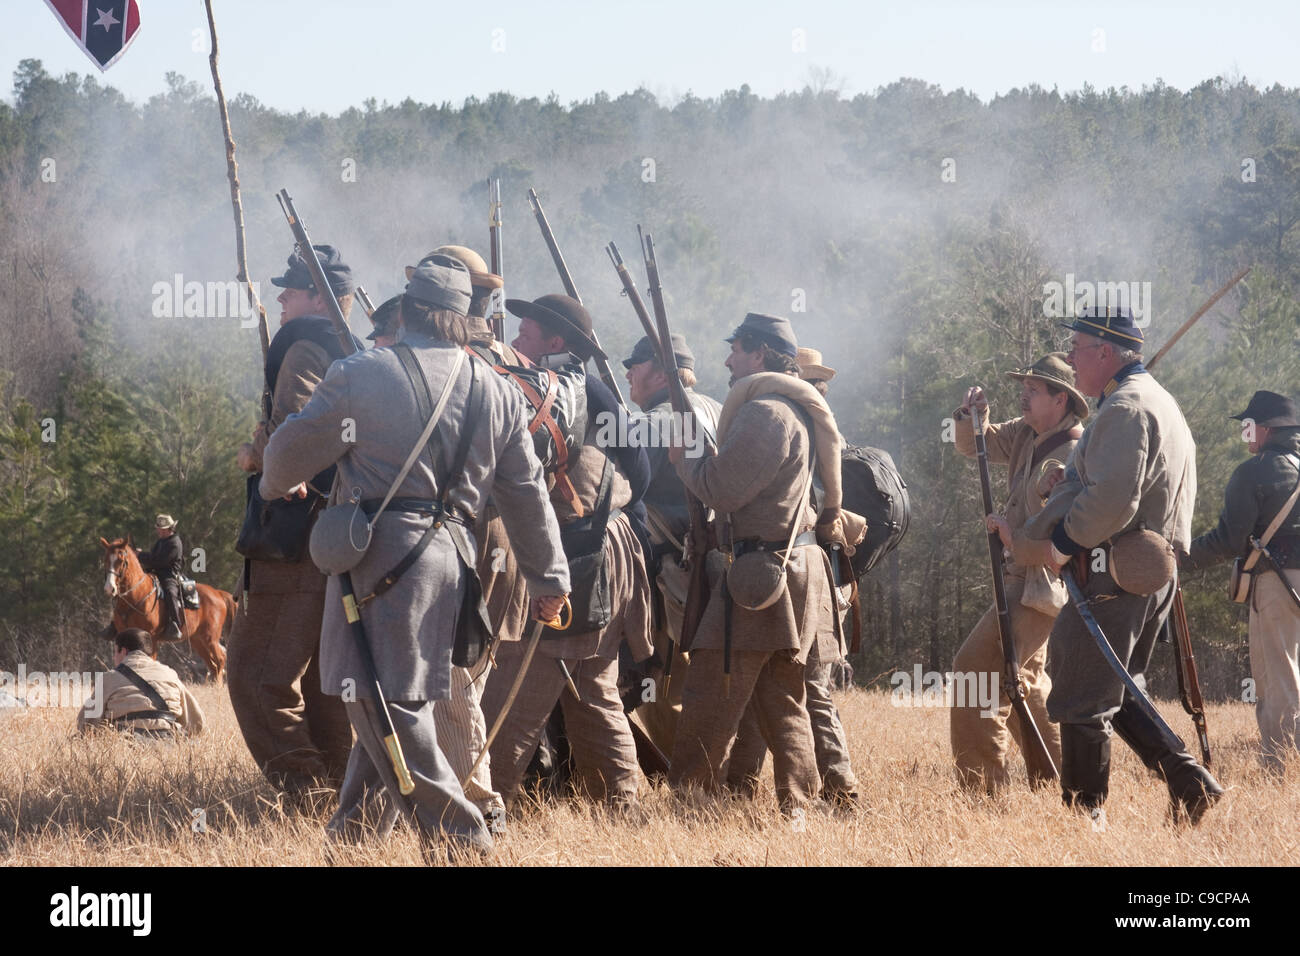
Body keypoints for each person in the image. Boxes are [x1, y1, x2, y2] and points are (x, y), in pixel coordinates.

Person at [260, 255, 569, 855]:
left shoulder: (362, 374)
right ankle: (350, 845)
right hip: (455, 561)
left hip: (377, 561)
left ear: (408, 310)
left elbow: (281, 461)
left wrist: (275, 482)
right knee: (388, 703)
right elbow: (528, 499)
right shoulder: (500, 393)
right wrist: (550, 579)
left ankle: (465, 841)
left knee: (391, 708)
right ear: (462, 319)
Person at [1017, 307, 1222, 824]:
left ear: (1105, 352)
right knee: (1113, 684)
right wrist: (1073, 478)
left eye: (1079, 347)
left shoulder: (1126, 407)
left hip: (1113, 566)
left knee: (1083, 694)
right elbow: (1126, 482)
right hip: (1143, 569)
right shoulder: (1152, 402)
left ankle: (1085, 820)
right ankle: (1186, 778)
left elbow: (1113, 500)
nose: (1070, 357)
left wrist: (1061, 543)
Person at [479, 293, 653, 808]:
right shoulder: (577, 390)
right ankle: (624, 806)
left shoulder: (582, 392)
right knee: (595, 690)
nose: (515, 341)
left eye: (527, 333)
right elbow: (636, 477)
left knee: (519, 687)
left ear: (555, 344)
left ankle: (488, 811)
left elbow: (639, 471)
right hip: (602, 550)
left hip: (576, 553)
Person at [667, 312, 844, 814]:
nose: (727, 359)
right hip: (782, 569)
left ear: (760, 354)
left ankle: (688, 802)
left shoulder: (766, 413)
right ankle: (801, 807)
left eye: (737, 348)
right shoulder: (792, 410)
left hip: (761, 573)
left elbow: (723, 487)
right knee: (781, 695)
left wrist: (685, 462)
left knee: (711, 685)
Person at [228, 243, 358, 801]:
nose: (280, 297)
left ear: (319, 298)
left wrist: (256, 450)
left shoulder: (305, 349)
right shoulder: (352, 353)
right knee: (324, 684)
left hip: (294, 539)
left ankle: (304, 792)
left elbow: (291, 443)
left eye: (293, 289)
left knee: (256, 675)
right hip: (336, 538)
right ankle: (339, 791)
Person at [724, 344, 861, 805]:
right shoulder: (820, 429)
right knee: (778, 685)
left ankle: (839, 787)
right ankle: (740, 783)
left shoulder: (800, 428)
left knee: (808, 688)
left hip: (799, 572)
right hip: (811, 574)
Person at [948, 353, 1086, 792]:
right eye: (1023, 388)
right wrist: (976, 415)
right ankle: (1060, 782)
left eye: (1034, 390)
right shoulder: (1028, 432)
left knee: (975, 670)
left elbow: (1059, 523)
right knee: (1021, 682)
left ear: (1060, 399)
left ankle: (983, 791)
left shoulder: (1072, 455)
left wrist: (1017, 529)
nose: (1023, 395)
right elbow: (975, 444)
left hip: (1042, 585)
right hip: (1017, 580)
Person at [1180, 390, 1300, 772]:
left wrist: (1180, 557)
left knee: (1277, 677)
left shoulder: (1253, 471)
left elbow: (1229, 540)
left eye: (1248, 426)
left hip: (1279, 583)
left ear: (1265, 430)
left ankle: (1281, 767)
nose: (1245, 433)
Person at [622, 332, 722, 757]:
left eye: (637, 365)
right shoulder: (717, 408)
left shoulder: (657, 420)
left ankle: (693, 777)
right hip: (710, 568)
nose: (628, 372)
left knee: (658, 686)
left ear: (662, 374)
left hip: (673, 577)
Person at [78, 628, 205, 738]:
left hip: (125, 743)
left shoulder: (108, 678)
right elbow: (197, 722)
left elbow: (86, 724)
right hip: (169, 741)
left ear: (123, 651)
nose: (113, 658)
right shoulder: (170, 674)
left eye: (115, 652)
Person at [135, 514, 184, 641]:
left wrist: (140, 555)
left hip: (168, 575)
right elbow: (153, 557)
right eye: (158, 528)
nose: (158, 531)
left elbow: (161, 561)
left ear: (169, 529)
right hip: (155, 573)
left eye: (161, 529)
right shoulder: (161, 541)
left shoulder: (175, 543)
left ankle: (175, 624)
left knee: (169, 591)